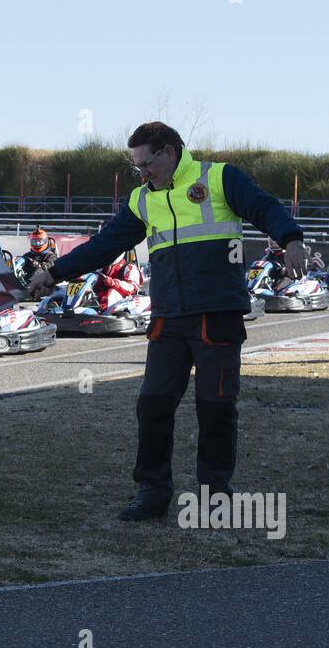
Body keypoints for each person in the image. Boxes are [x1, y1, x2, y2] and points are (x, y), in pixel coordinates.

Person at [26, 121, 304, 521]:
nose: (142, 173)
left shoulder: (220, 177)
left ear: (170, 153)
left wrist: (291, 238)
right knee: (153, 405)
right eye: (136, 166)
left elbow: (265, 207)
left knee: (216, 409)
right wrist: (54, 272)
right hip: (168, 319)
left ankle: (215, 499)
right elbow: (105, 244)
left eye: (146, 164)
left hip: (217, 317)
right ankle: (152, 493)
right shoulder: (142, 199)